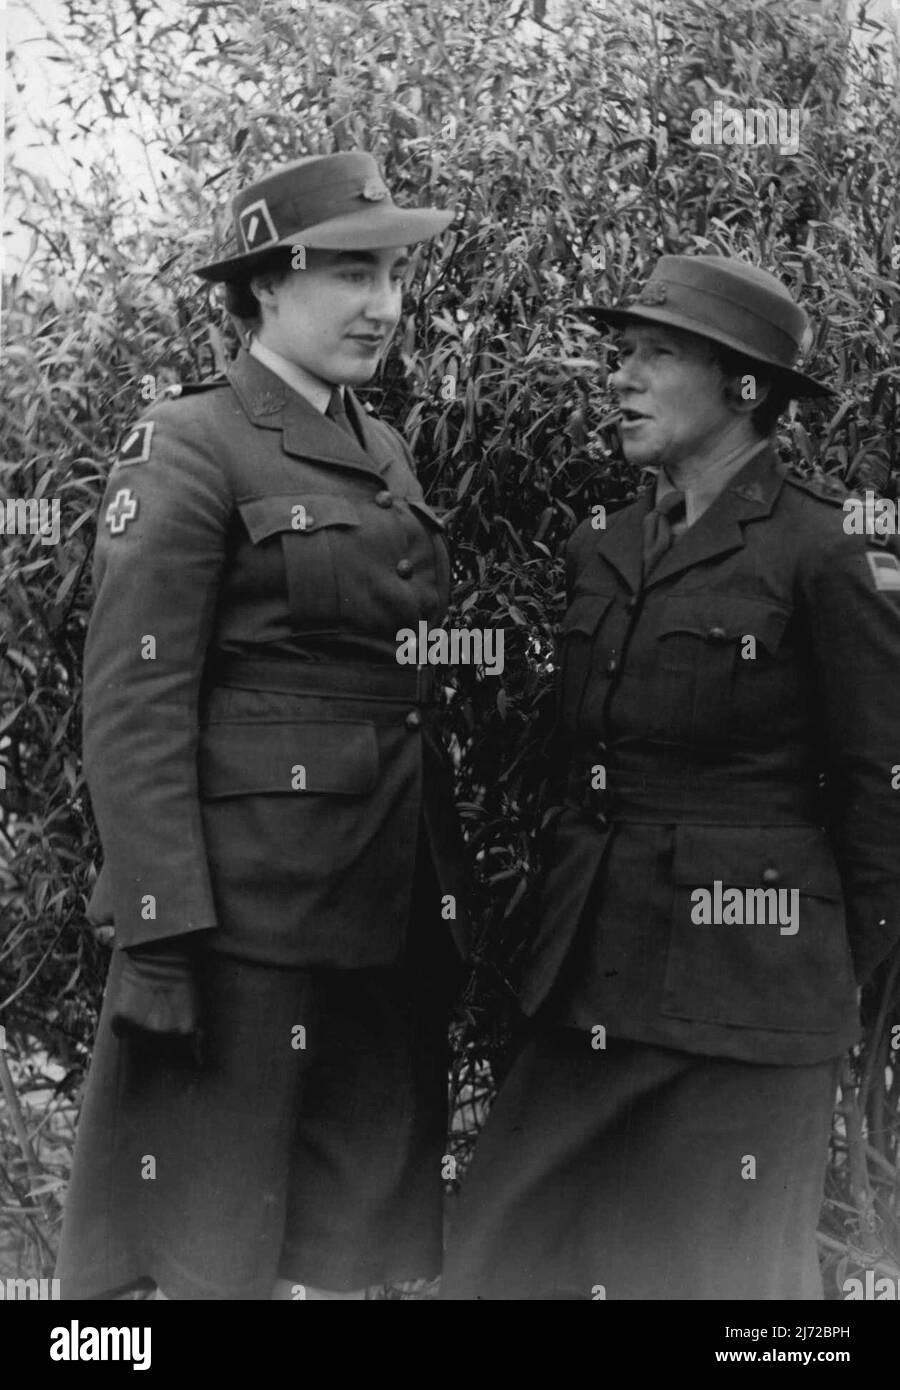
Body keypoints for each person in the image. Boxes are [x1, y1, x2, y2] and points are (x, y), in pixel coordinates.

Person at [440, 254, 900, 1301]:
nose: (621, 377)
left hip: (746, 1004)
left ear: (745, 388)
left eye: (656, 354)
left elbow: (884, 788)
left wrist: (823, 967)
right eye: (622, 352)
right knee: (499, 1259)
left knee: (724, 1289)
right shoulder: (602, 545)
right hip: (588, 977)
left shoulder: (822, 552)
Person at [56, 151, 468, 1301]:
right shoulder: (189, 444)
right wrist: (161, 931)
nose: (383, 305)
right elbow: (135, 701)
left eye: (392, 274)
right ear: (265, 289)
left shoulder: (382, 451)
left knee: (345, 1247)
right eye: (349, 273)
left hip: (383, 906)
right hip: (248, 923)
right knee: (212, 1245)